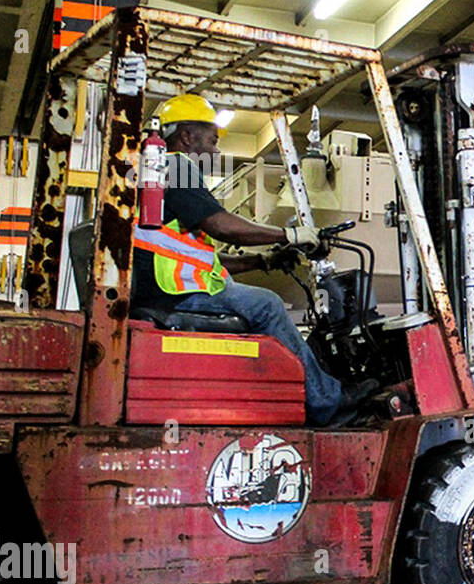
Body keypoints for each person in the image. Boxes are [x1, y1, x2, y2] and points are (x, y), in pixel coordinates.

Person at [131, 93, 367, 426]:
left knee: (257, 300)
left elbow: (202, 258)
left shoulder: (155, 173)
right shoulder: (174, 166)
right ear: (186, 136)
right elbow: (222, 225)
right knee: (267, 304)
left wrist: (263, 262)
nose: (216, 151)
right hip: (173, 296)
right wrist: (290, 235)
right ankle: (326, 403)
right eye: (211, 141)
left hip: (167, 291)